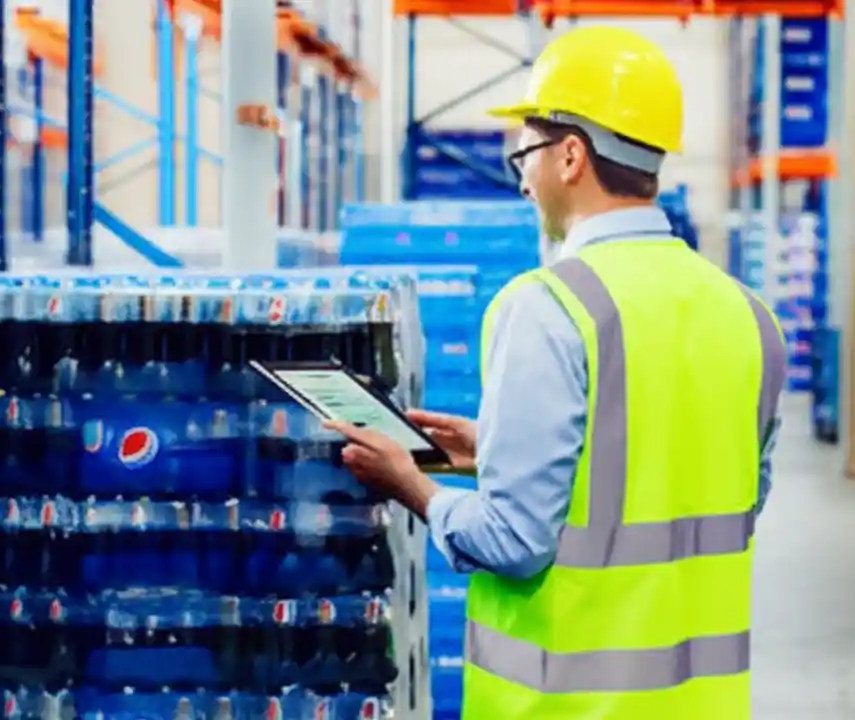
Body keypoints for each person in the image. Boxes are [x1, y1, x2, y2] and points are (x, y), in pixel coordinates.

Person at [325, 24, 788, 719]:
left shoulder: (550, 306)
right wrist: (499, 449)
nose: (522, 177)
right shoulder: (750, 317)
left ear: (571, 156)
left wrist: (412, 485)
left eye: (527, 152)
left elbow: (513, 541)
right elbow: (710, 490)